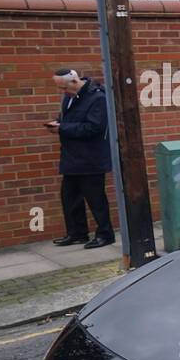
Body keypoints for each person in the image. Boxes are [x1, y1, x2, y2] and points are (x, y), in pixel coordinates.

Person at [47, 68, 114, 249]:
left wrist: (62, 128)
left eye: (64, 88)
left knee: (96, 199)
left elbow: (94, 128)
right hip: (72, 157)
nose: (63, 92)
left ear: (75, 82)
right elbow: (68, 119)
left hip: (91, 158)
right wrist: (58, 122)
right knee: (69, 197)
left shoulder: (98, 98)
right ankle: (77, 233)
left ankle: (105, 235)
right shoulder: (70, 97)